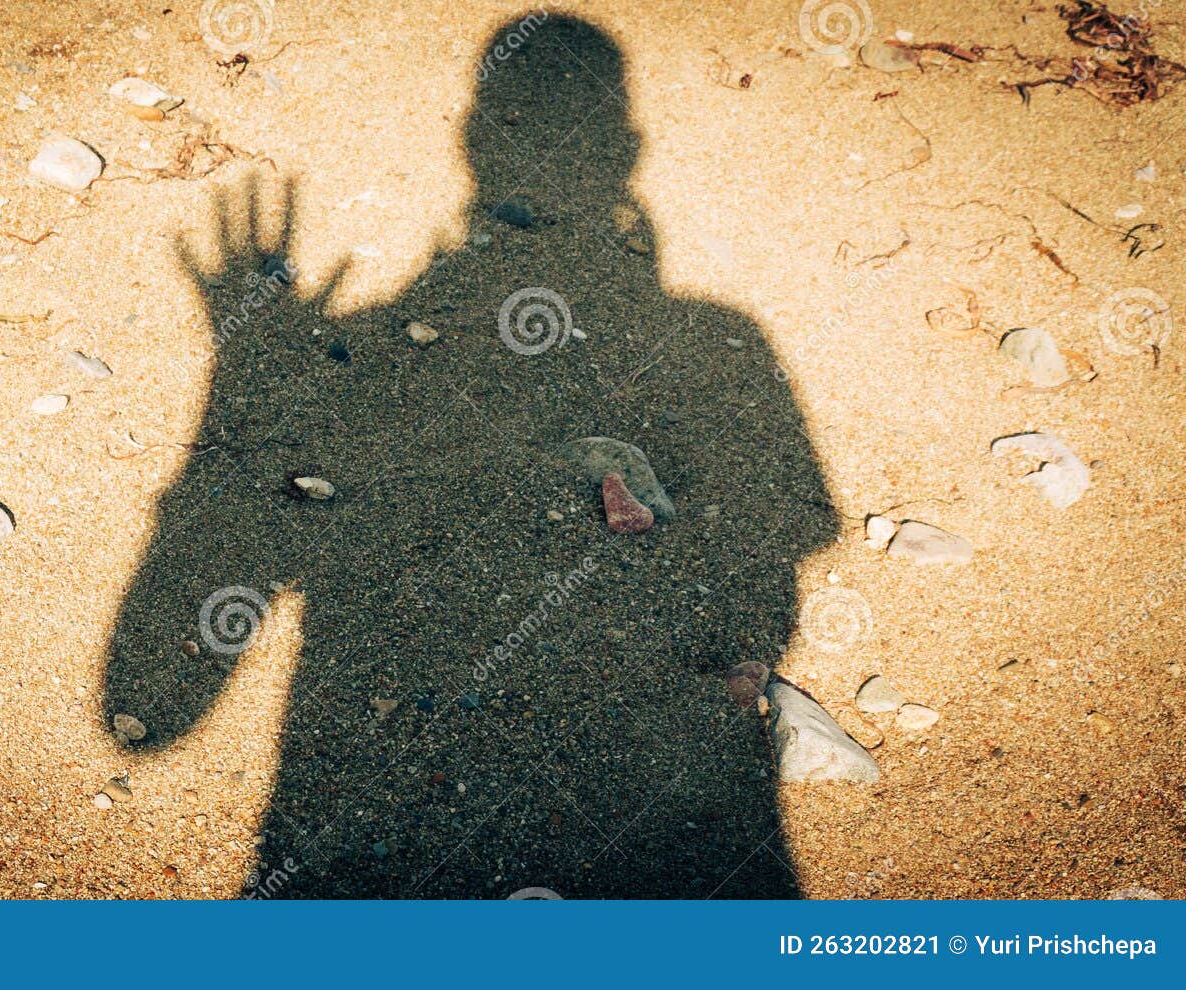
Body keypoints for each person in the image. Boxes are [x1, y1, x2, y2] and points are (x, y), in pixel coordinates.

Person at [103, 13, 835, 897]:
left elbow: (150, 709)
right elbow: (772, 564)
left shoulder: (367, 363)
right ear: (631, 150)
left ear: (468, 141)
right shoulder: (715, 339)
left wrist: (245, 386)